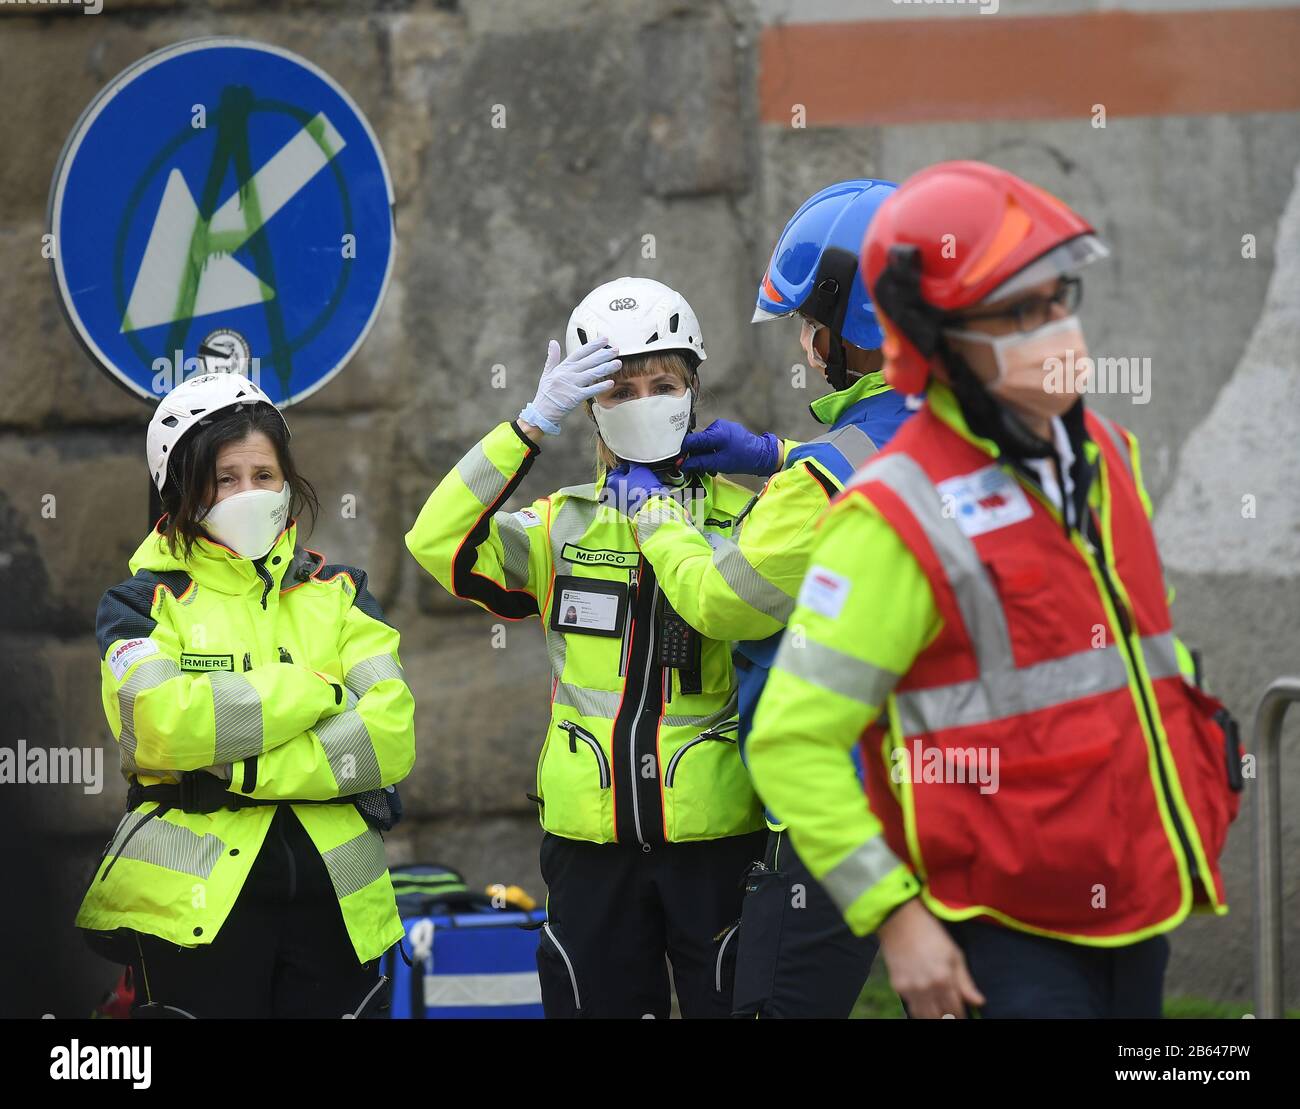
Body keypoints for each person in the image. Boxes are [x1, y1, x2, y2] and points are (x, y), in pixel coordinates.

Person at [746, 160, 1242, 1019]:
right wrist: (896, 919)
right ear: (933, 336)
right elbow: (792, 741)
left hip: (1135, 902)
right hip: (996, 932)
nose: (1052, 328)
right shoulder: (892, 510)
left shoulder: (1107, 461)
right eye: (1017, 312)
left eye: (1057, 300)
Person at [406, 277, 768, 1019]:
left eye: (661, 383)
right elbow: (435, 539)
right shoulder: (558, 526)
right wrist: (530, 423)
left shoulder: (750, 520)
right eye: (618, 389)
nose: (642, 402)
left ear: (694, 389)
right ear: (590, 405)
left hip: (718, 842)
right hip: (588, 847)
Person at [613, 180, 913, 1017]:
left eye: (809, 326)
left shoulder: (822, 481)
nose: (807, 345)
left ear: (846, 329)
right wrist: (780, 455)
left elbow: (724, 597)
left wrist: (655, 513)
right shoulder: (970, 431)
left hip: (838, 809)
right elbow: (880, 476)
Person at [77, 372, 416, 1019]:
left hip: (337, 902)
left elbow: (390, 735)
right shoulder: (140, 602)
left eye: (264, 475)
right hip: (191, 909)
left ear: (288, 481)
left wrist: (236, 758)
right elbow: (161, 727)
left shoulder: (340, 590)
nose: (249, 492)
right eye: (225, 478)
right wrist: (311, 688)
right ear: (182, 490)